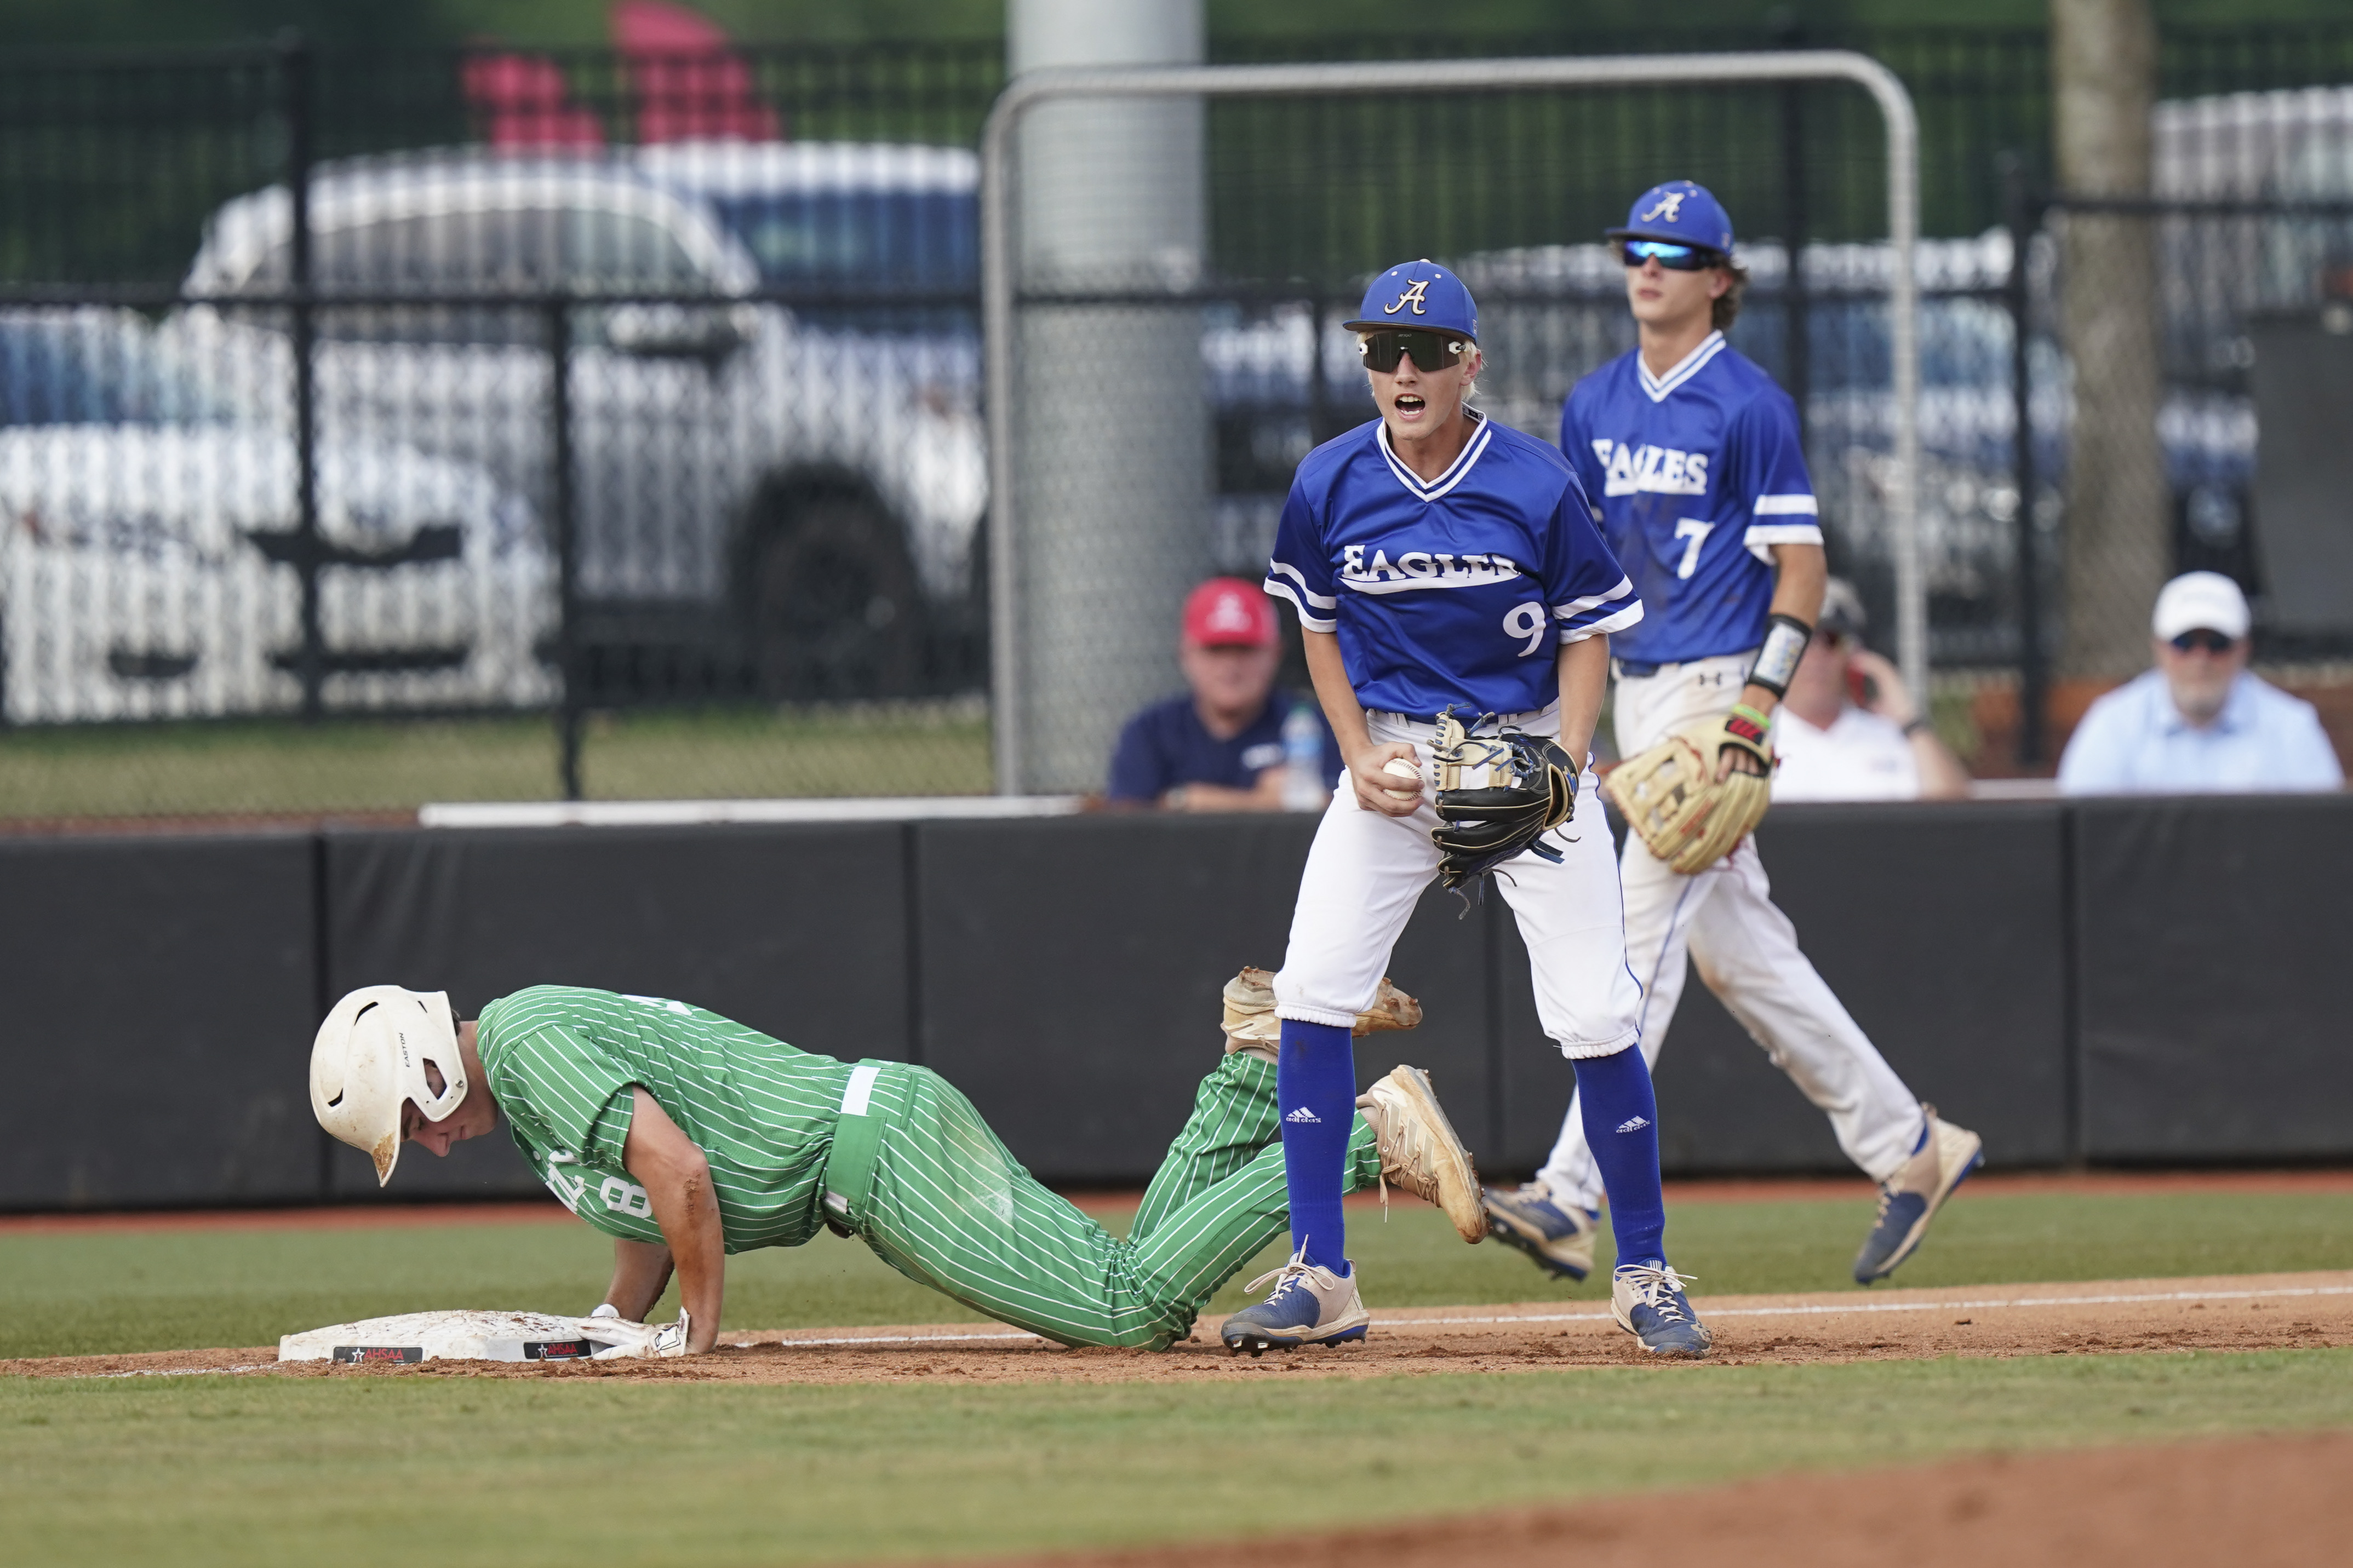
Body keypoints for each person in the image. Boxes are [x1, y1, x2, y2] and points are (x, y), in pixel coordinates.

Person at [1481, 183, 1983, 1292]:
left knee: (1639, 931)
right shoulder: (1593, 401)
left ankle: (1568, 1193)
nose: (1646, 265)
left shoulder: (1747, 404)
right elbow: (1582, 578)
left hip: (1717, 690)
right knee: (1740, 955)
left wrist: (1754, 714)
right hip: (1636, 693)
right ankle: (1907, 1144)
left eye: (1674, 250)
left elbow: (1798, 569)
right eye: (1633, 248)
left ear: (1719, 279)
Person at [1246, 257, 1711, 1359]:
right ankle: (1322, 1276)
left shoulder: (1534, 483)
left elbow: (1585, 627)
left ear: (1469, 363)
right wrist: (1355, 754)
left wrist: (1565, 752)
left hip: (1519, 756)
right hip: (1397, 762)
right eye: (1378, 352)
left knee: (1597, 1012)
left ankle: (1643, 1269)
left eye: (1422, 352)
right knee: (1308, 996)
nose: (1399, 371)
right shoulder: (1325, 480)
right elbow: (1314, 624)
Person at [307, 975, 1475, 1355]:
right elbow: (642, 1215)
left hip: (876, 1159)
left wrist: (698, 1342)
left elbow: (683, 1182)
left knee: (1128, 1315)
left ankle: (1372, 1136)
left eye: (406, 1127)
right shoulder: (521, 1074)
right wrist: (610, 1330)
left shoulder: (518, 1045)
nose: (424, 1146)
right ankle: (1246, 1066)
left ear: (415, 1070)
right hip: (882, 1133)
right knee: (1128, 1279)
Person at [2058, 571, 2343, 795]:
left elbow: (2319, 837)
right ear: (2159, 648)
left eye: (2218, 643)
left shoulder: (2292, 727)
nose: (2201, 659)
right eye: (2184, 643)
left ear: (2243, 650)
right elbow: (2085, 837)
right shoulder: (2113, 725)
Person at [1105, 577, 1336, 811]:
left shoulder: (1313, 724)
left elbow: (1346, 808)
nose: (1230, 668)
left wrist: (1190, 800)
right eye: (1215, 650)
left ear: (1276, 653)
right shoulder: (1150, 731)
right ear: (1185, 655)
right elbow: (1126, 823)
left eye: (1245, 650)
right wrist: (1264, 802)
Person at [1772, 577, 1971, 802]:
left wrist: (1910, 721)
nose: (1816, 658)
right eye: (1803, 641)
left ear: (1854, 653)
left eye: (1831, 641)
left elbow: (1954, 813)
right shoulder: (1756, 739)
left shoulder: (1891, 736)